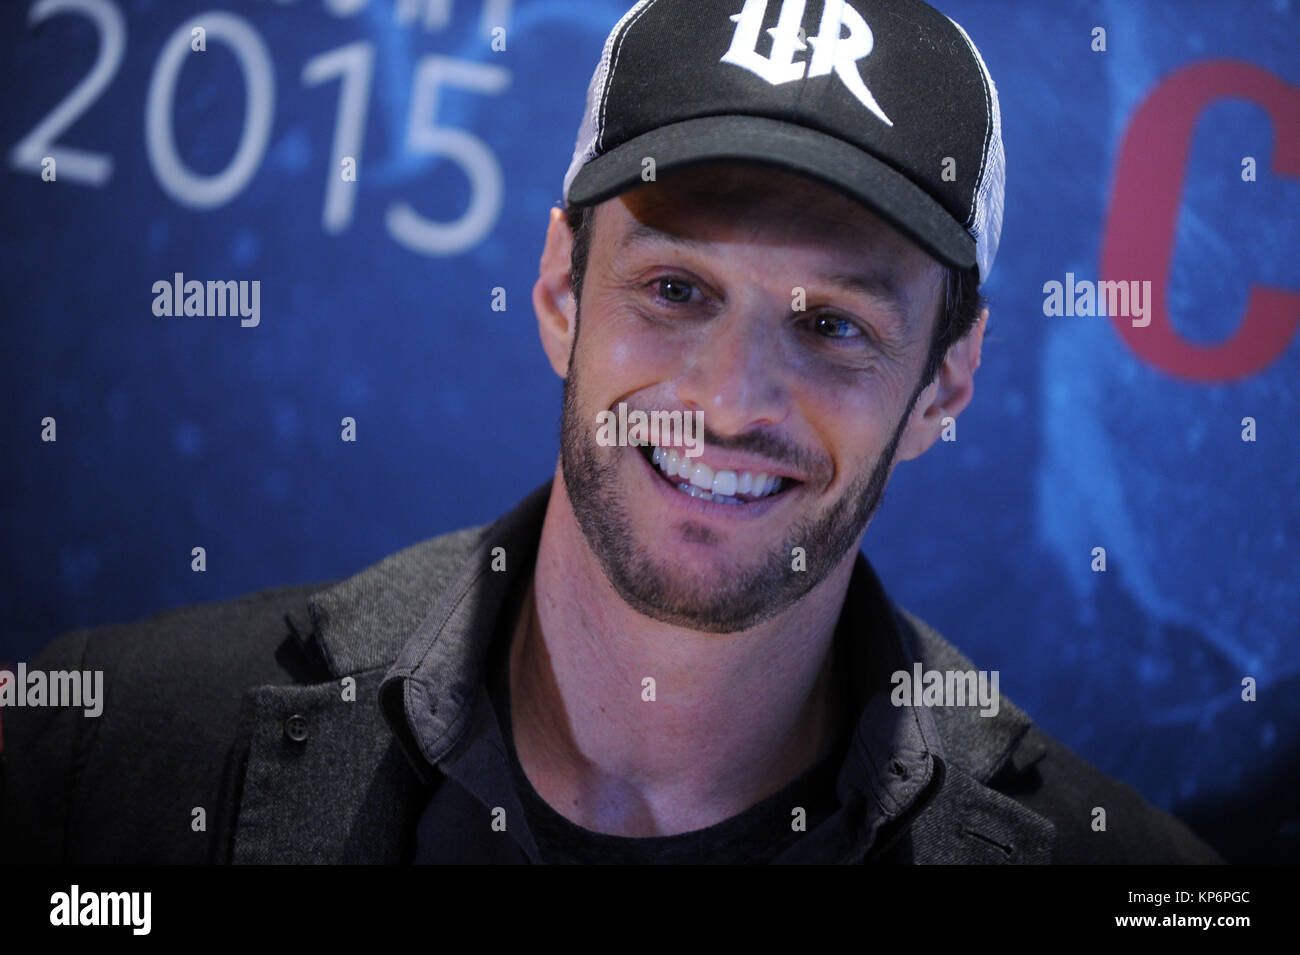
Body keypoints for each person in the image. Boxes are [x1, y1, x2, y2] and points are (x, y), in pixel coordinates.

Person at [1, 0, 1221, 864]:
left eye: (835, 324)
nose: (732, 400)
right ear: (558, 291)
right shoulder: (89, 755)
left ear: (947, 382)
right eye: (677, 290)